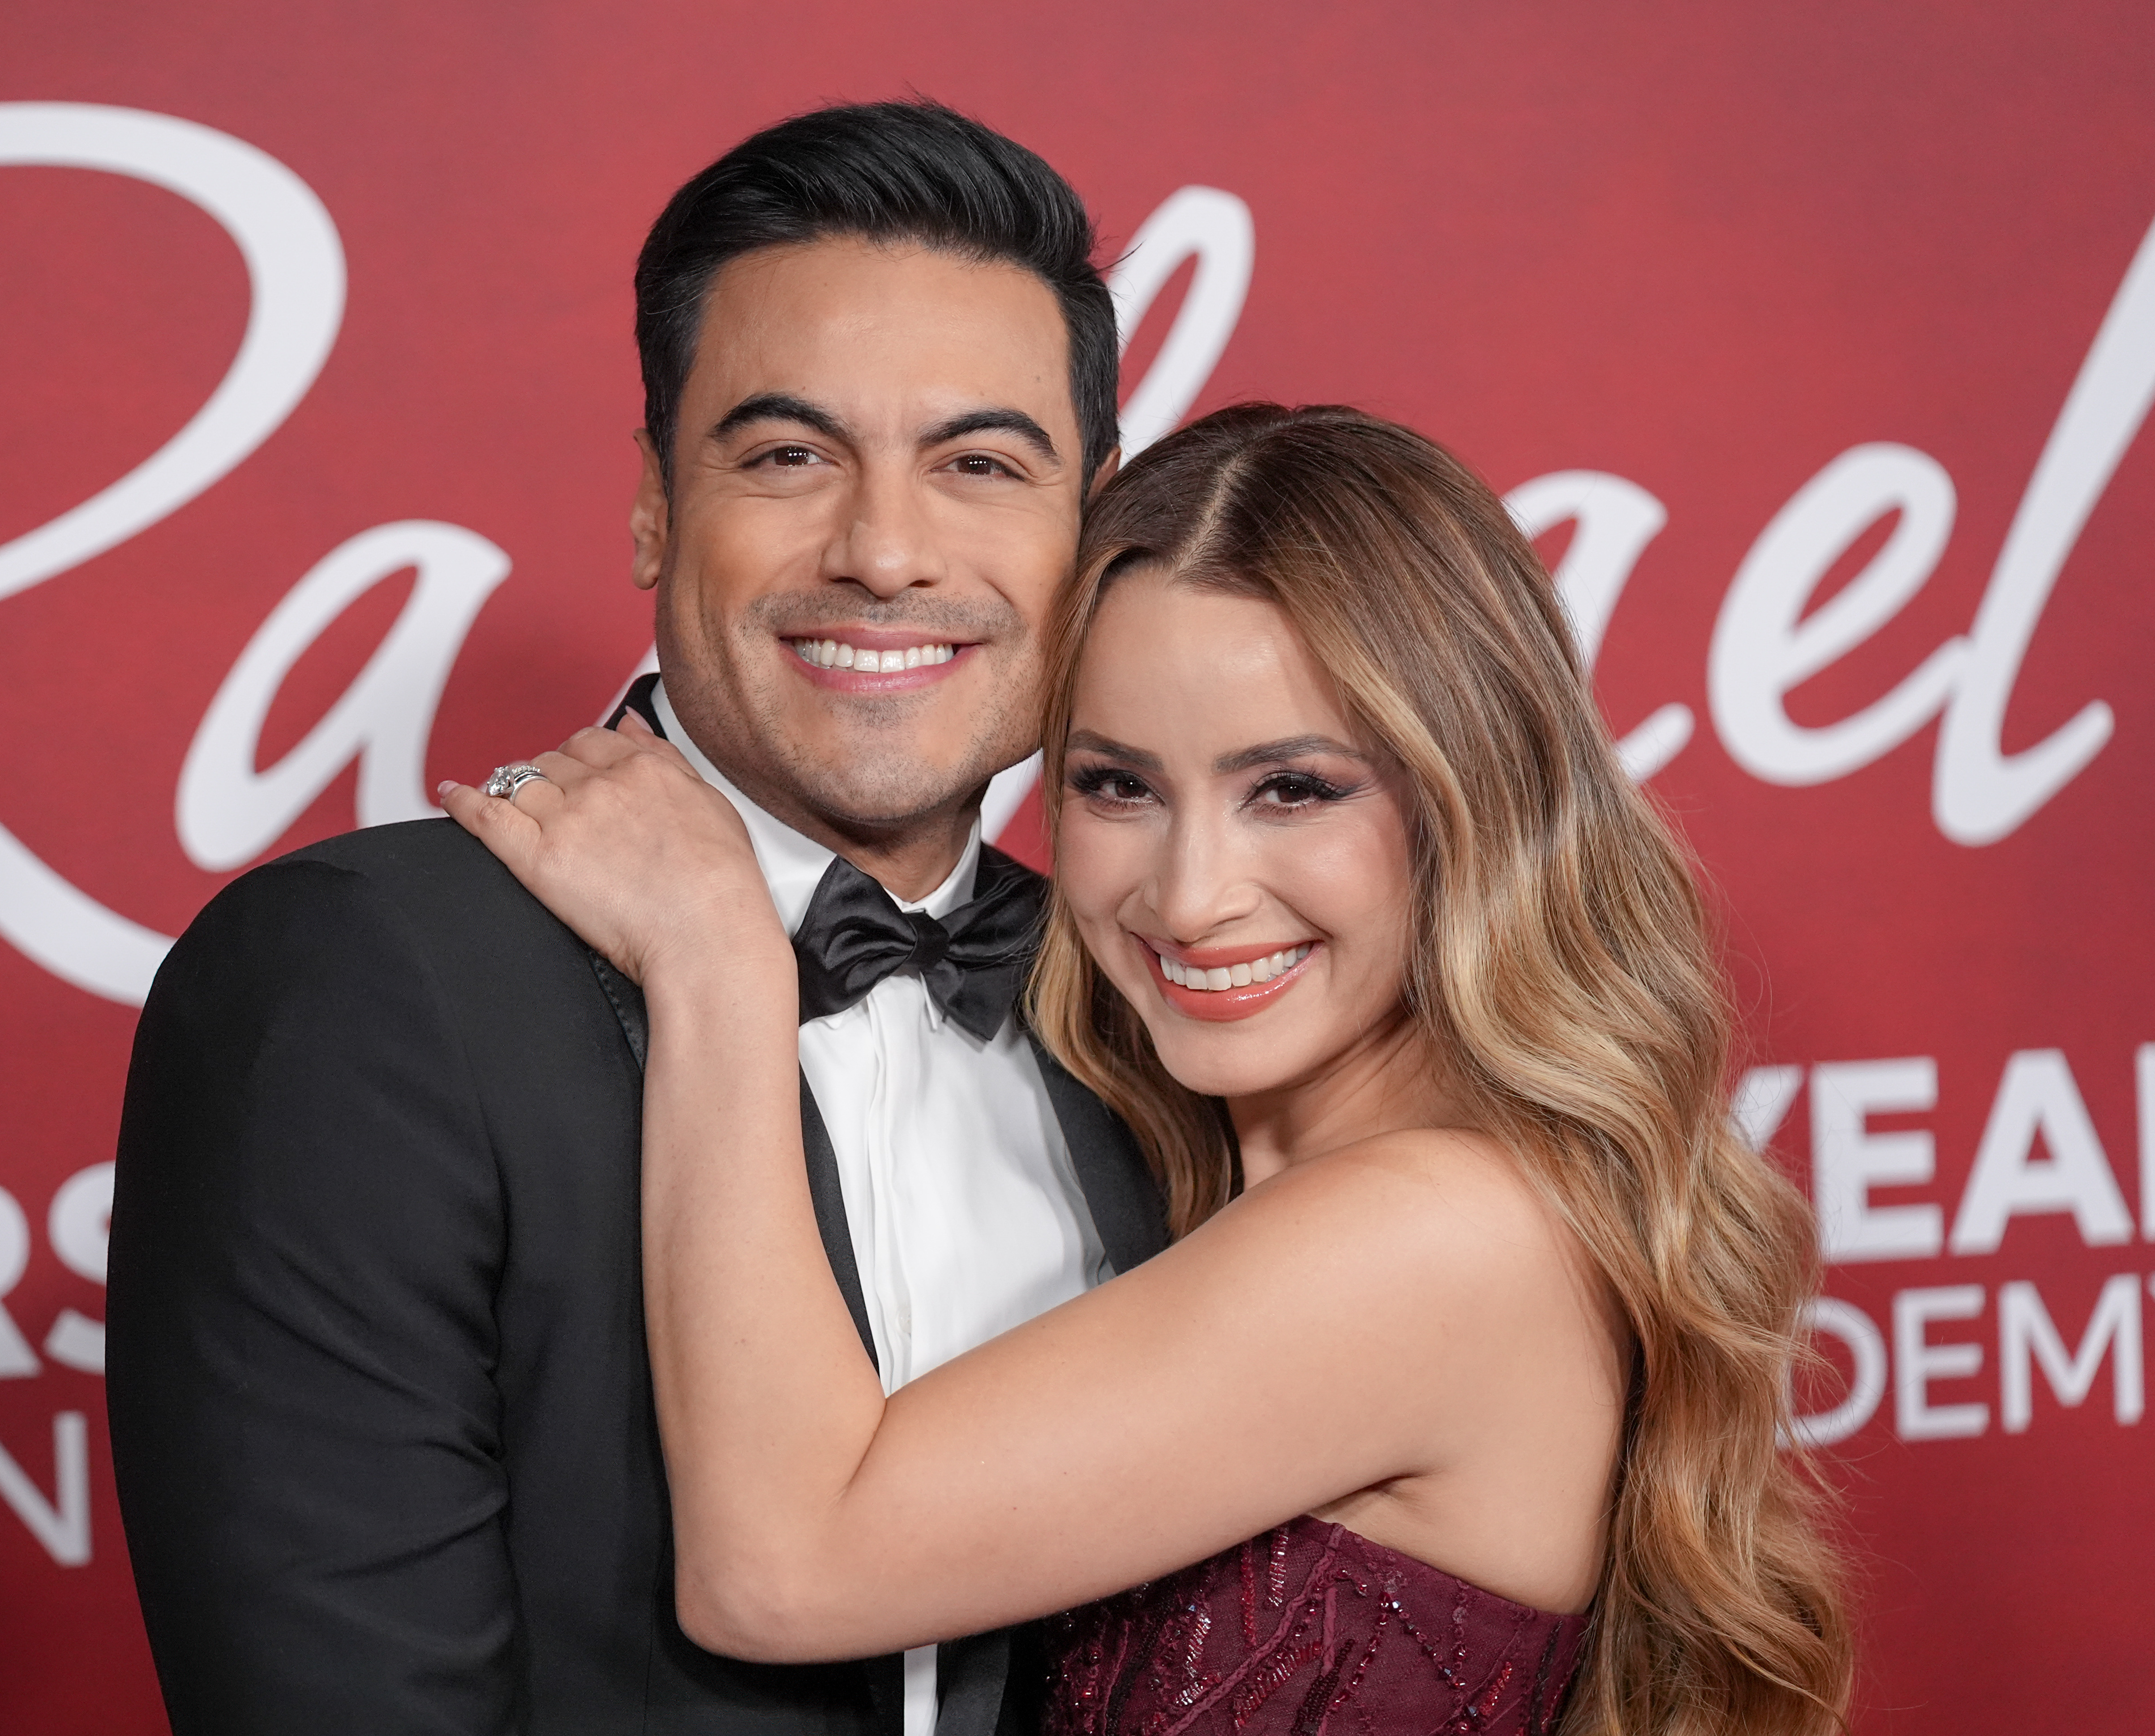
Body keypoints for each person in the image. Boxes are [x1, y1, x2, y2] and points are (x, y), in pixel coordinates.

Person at [442, 403, 1855, 1736]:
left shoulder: (1433, 1229)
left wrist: (720, 962)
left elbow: (781, 1565)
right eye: (1117, 784)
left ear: (1470, 796)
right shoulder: (1205, 1162)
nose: (1187, 896)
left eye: (1291, 789)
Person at [105, 100, 1170, 1735]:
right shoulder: (358, 983)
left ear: (1090, 523)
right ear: (656, 510)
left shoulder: (1153, 991)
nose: (886, 551)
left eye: (978, 464)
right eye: (788, 456)